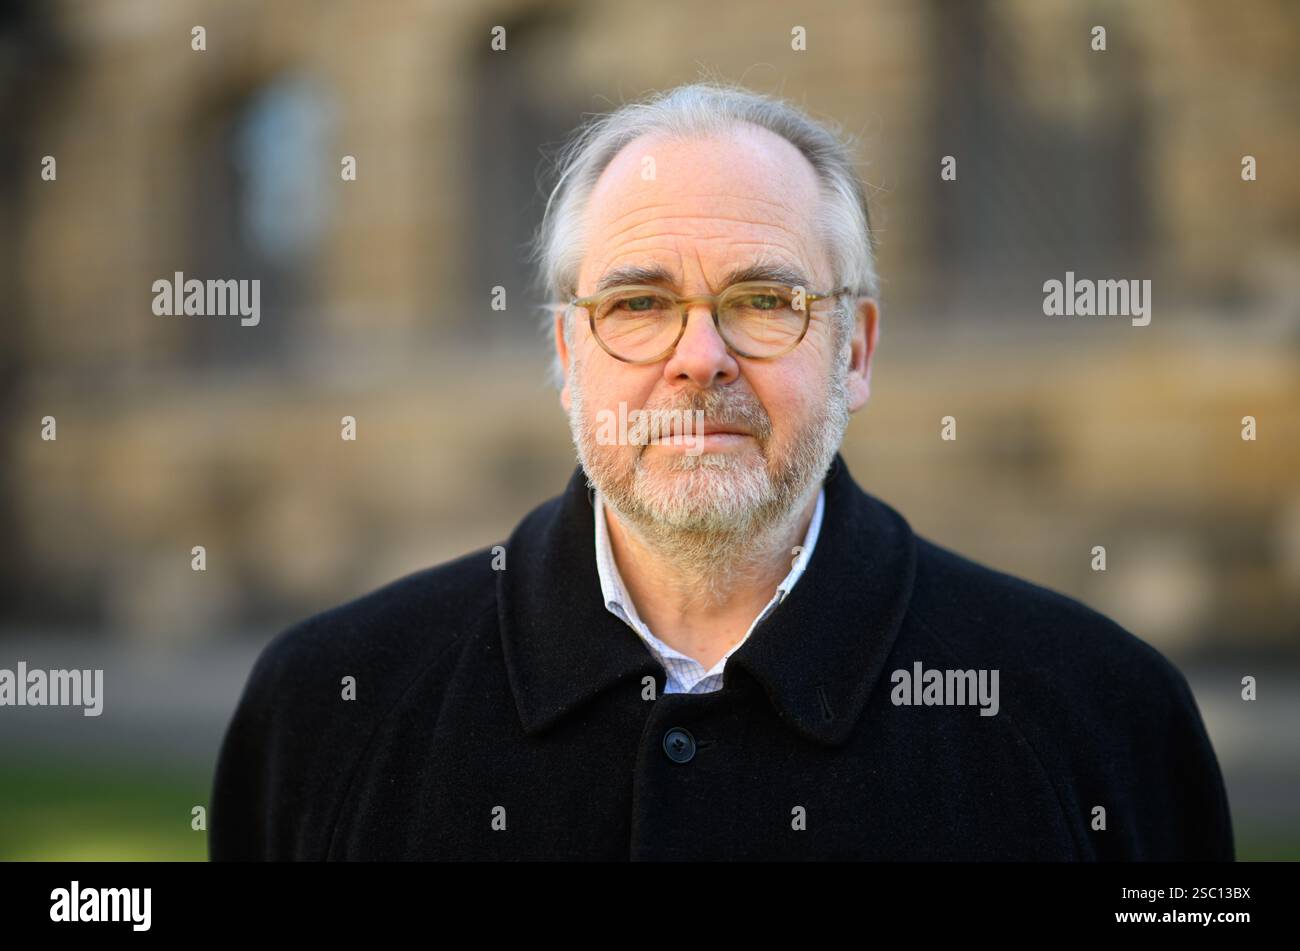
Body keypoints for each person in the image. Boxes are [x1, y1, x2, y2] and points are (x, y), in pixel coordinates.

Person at [210, 81, 1233, 861]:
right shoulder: (324, 711)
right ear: (567, 356)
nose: (699, 358)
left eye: (762, 300)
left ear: (857, 351)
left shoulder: (1100, 715)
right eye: (638, 305)